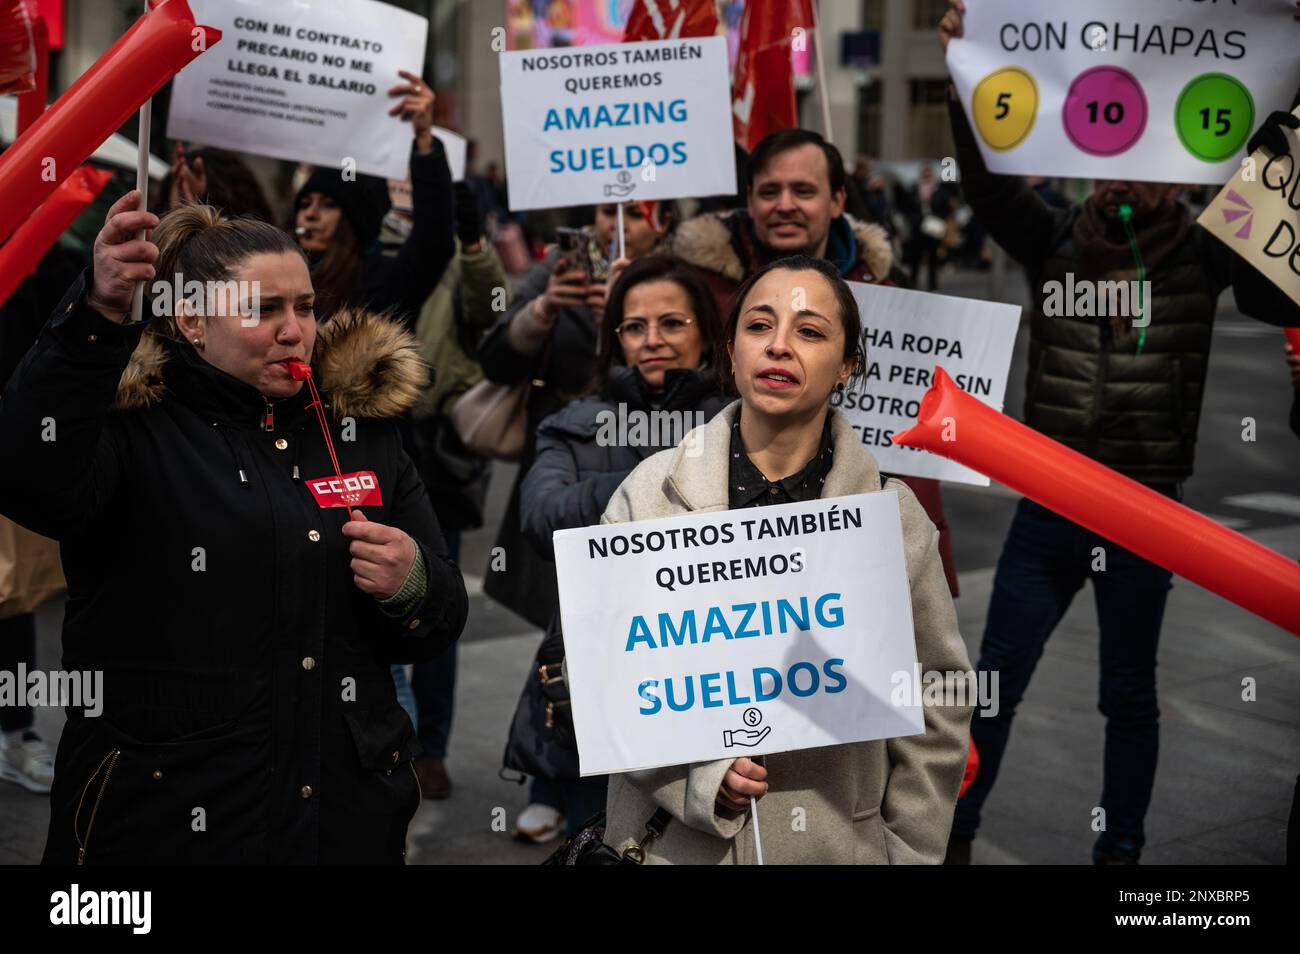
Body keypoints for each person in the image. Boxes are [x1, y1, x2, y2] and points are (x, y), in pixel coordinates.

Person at [938, 0, 1300, 865]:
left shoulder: (1207, 253)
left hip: (1145, 512)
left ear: (1178, 174)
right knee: (993, 693)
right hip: (1048, 507)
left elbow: (1267, 178)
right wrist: (963, 72)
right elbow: (986, 183)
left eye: (1147, 166)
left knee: (1129, 696)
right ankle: (952, 840)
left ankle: (1121, 858)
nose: (1125, 181)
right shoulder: (1053, 240)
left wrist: (1283, 69)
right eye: (1111, 163)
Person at [0, 195, 468, 863]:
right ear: (191, 319)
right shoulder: (132, 430)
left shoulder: (362, 435)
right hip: (168, 821)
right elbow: (25, 476)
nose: (294, 331)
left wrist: (411, 581)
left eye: (304, 307)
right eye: (262, 310)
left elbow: (441, 618)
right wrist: (97, 315)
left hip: (341, 823)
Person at [596, 256, 973, 863]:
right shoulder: (647, 496)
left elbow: (941, 698)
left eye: (810, 331)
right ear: (731, 351)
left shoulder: (893, 518)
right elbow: (610, 685)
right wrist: (701, 778)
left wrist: (905, 851)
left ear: (848, 366)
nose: (778, 346)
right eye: (758, 326)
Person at [671, 128, 959, 596]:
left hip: (856, 537)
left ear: (838, 199)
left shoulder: (888, 293)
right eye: (769, 191)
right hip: (720, 541)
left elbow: (913, 441)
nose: (785, 204)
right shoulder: (697, 288)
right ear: (749, 199)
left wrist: (927, 563)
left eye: (803, 190)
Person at [507, 255, 729, 841]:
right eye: (634, 327)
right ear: (616, 341)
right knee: (603, 840)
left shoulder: (747, 423)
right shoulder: (577, 422)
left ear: (706, 332)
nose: (652, 340)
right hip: (600, 682)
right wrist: (649, 483)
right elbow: (539, 515)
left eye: (672, 323)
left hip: (719, 677)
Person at [477, 201, 675, 632]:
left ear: (664, 225)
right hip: (564, 455)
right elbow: (494, 361)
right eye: (607, 212)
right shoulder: (560, 269)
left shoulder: (678, 281)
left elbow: (690, 382)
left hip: (642, 450)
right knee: (564, 617)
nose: (615, 225)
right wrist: (543, 309)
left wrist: (626, 327)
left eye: (635, 215)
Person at [400, 182, 511, 800]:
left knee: (432, 603)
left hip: (438, 453)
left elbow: (493, 307)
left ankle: (431, 748)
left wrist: (471, 242)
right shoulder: (381, 255)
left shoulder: (461, 265)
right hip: (373, 440)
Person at [292, 69, 454, 325]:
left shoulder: (382, 281)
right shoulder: (280, 278)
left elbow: (434, 242)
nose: (310, 214)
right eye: (305, 204)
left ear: (355, 219)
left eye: (329, 205)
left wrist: (424, 140)